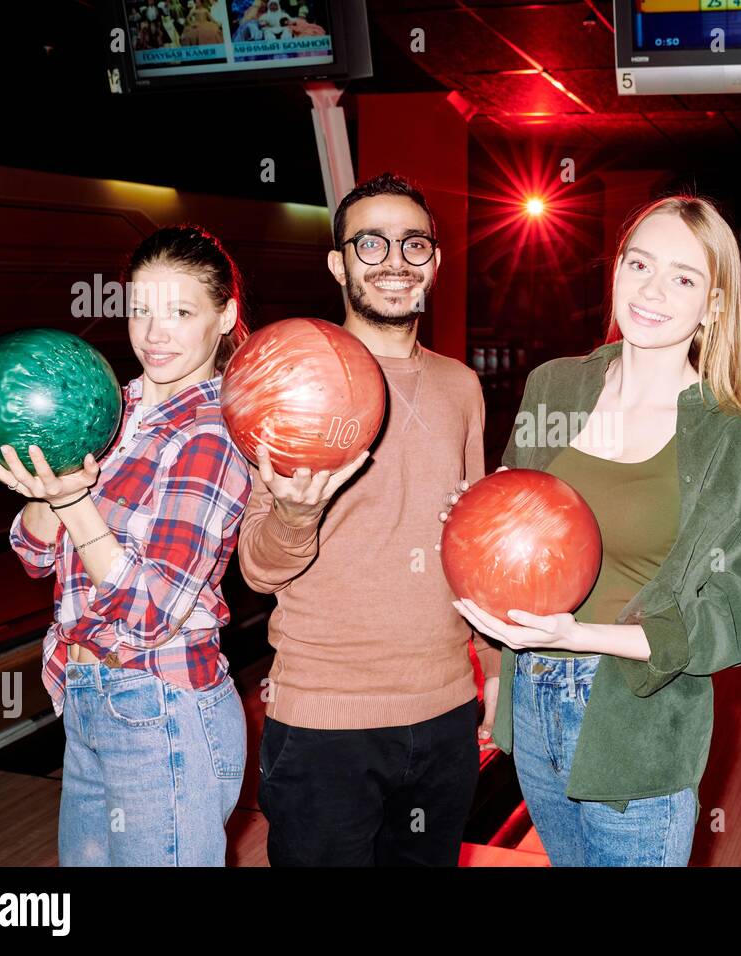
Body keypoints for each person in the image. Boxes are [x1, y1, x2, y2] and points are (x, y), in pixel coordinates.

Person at [450, 195, 741, 866]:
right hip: (532, 694)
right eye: (639, 264)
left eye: (683, 278)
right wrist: (476, 517)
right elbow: (518, 528)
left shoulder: (732, 444)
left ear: (714, 305)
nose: (652, 291)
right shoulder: (555, 388)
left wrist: (580, 635)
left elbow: (732, 623)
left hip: (633, 722)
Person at [239, 172, 499, 866]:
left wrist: (496, 668)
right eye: (371, 243)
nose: (394, 261)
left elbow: (475, 540)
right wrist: (296, 515)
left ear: (435, 262)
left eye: (415, 244)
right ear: (338, 264)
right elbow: (259, 570)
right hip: (326, 721)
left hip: (445, 713)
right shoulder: (292, 379)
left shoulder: (460, 385)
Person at [0, 224, 253, 865]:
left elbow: (151, 609)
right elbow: (34, 553)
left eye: (181, 312)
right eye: (141, 310)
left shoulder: (212, 433)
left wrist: (72, 501)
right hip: (86, 698)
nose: (155, 333)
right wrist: (44, 491)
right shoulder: (105, 409)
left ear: (225, 316)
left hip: (162, 706)